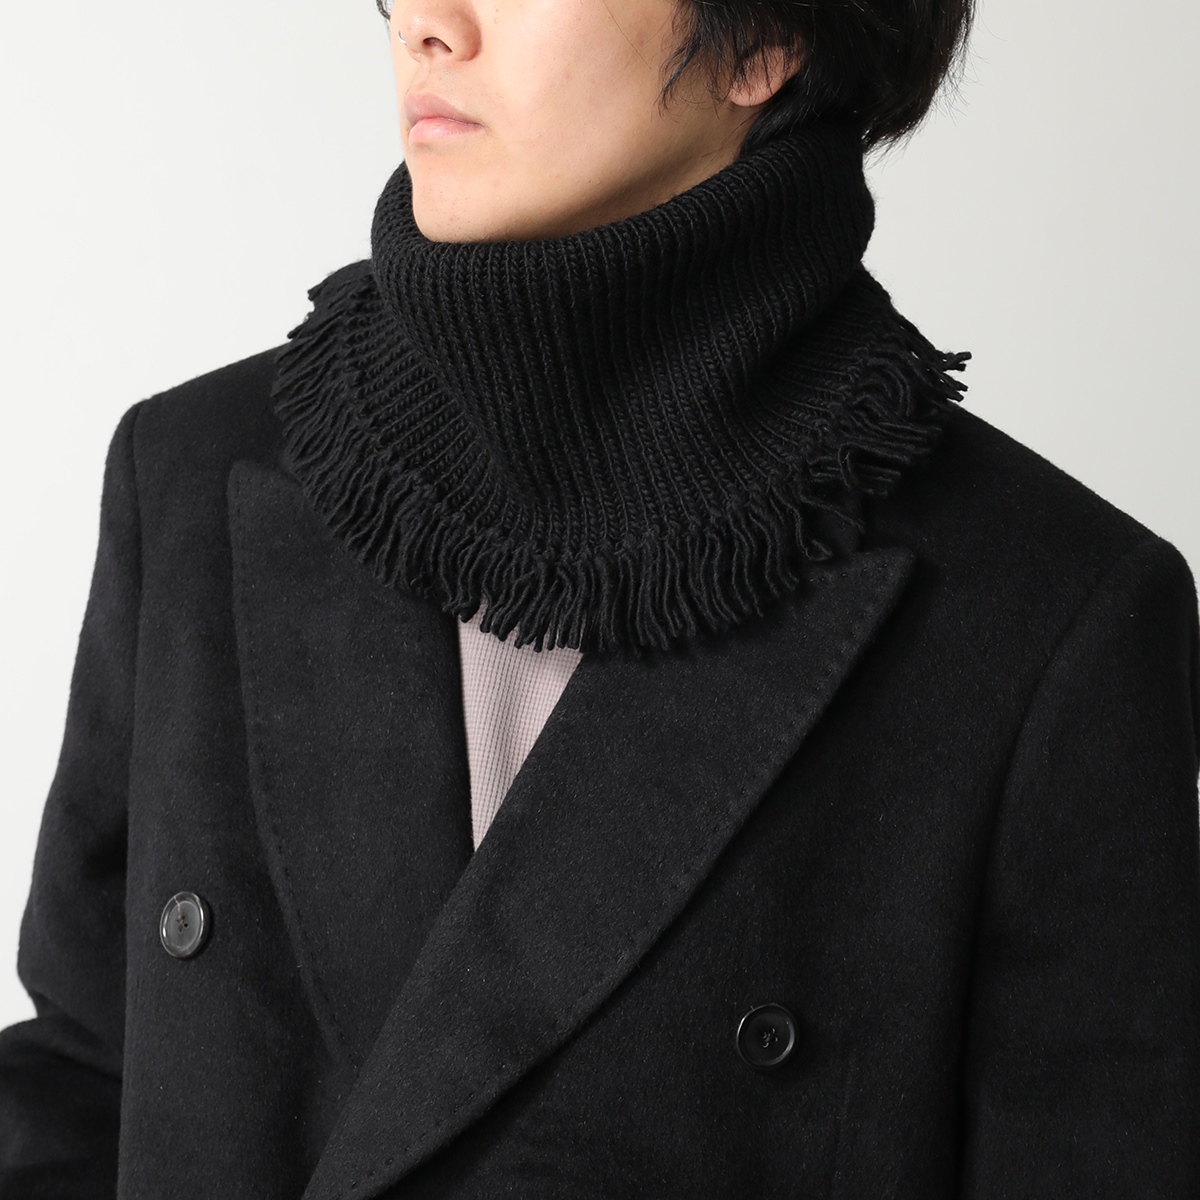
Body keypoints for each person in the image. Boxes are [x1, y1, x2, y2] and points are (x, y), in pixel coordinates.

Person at [1, 0, 1197, 1192]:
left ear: (765, 39)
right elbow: (79, 1086)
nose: (426, 24)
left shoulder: (1055, 625)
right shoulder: (189, 476)